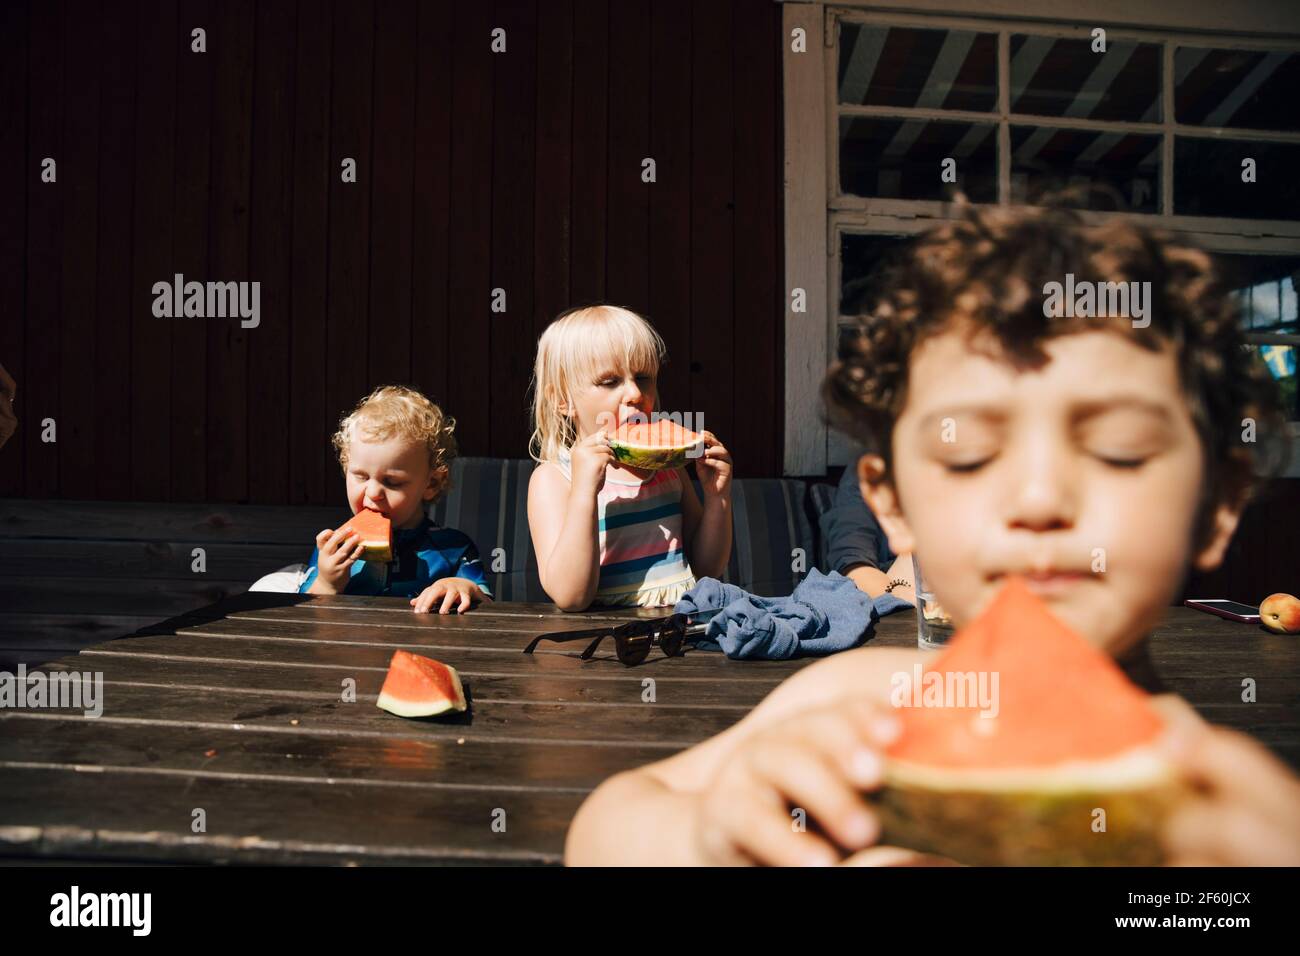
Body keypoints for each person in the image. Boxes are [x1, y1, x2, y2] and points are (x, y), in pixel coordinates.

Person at [564, 202, 1300, 866]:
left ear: (1216, 506)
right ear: (895, 507)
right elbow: (608, 819)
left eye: (1118, 450)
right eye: (971, 454)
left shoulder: (1255, 822)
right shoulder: (856, 701)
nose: (1038, 499)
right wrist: (704, 837)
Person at [527, 305, 733, 611]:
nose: (635, 393)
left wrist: (717, 497)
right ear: (562, 400)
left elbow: (707, 569)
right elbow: (571, 596)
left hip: (680, 631)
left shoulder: (668, 470)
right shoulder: (555, 479)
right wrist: (585, 493)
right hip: (605, 642)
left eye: (643, 377)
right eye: (610, 382)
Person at [300, 385, 492, 614]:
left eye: (391, 482)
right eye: (360, 476)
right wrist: (326, 583)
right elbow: (304, 616)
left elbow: (489, 607)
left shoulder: (455, 547)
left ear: (430, 484)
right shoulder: (334, 548)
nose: (372, 492)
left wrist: (463, 586)